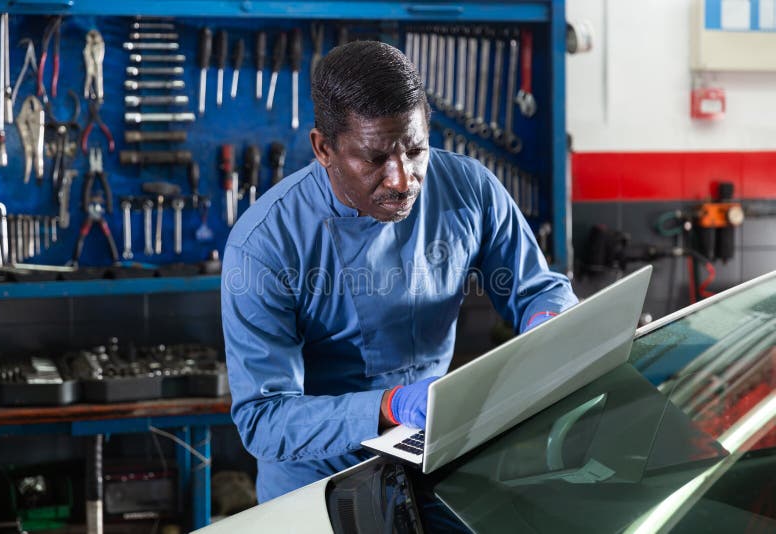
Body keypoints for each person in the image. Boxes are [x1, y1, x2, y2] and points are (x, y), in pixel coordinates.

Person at [221, 40, 578, 503]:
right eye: (374, 159)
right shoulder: (263, 246)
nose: (402, 179)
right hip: (317, 487)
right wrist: (388, 406)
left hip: (431, 458)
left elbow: (537, 287)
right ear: (323, 148)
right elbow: (264, 420)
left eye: (415, 149)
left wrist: (549, 325)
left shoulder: (469, 189)